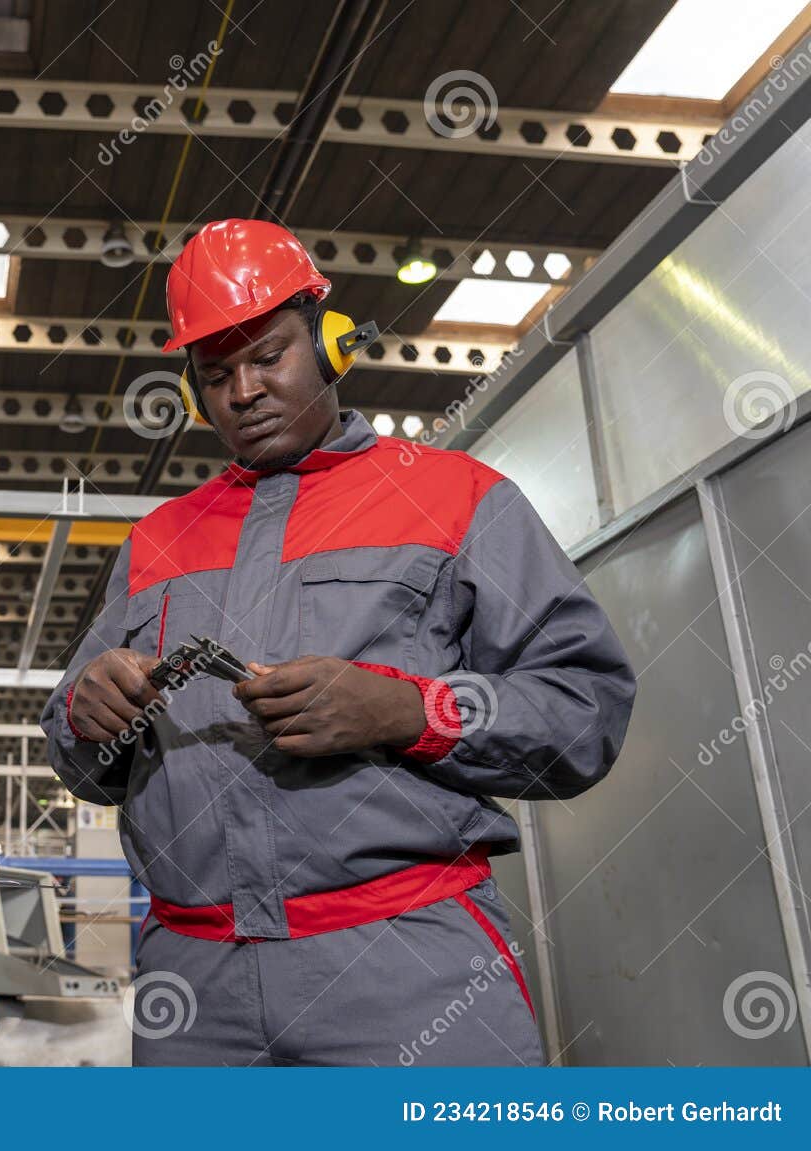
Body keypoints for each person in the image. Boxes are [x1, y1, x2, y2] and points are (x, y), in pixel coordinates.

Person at [41, 219, 636, 1066]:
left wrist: (408, 708)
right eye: (216, 374)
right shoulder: (157, 543)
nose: (243, 390)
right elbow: (76, 756)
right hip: (193, 984)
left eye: (268, 356)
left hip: (405, 963)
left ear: (328, 343)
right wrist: (86, 713)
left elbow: (586, 710)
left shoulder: (456, 500)